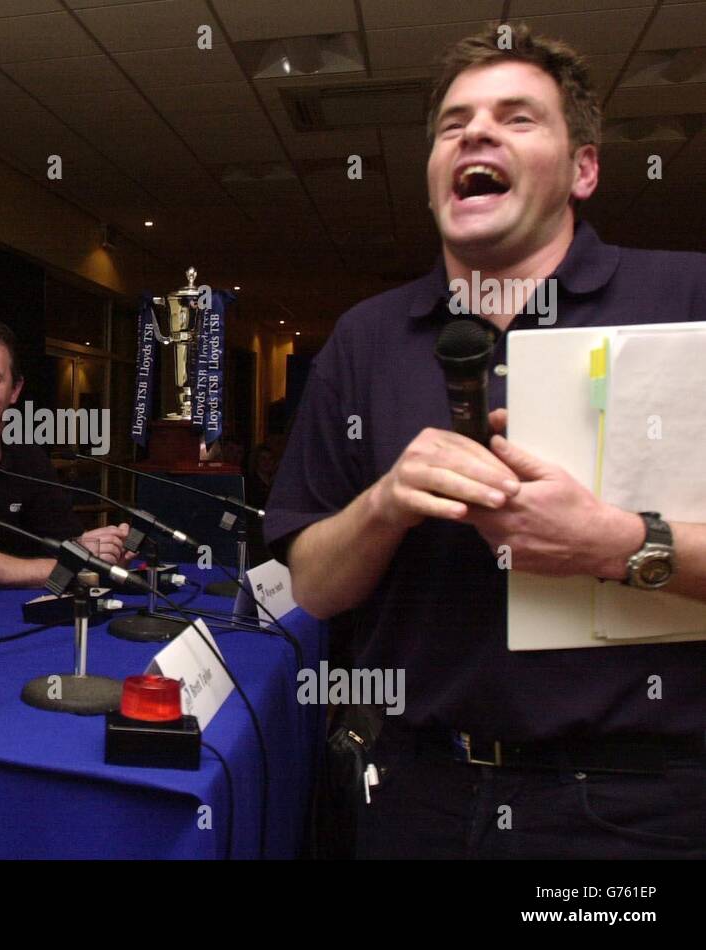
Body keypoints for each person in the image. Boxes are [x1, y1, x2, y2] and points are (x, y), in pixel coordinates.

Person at [265, 25, 706, 859]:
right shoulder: (364, 338)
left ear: (584, 169)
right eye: (453, 123)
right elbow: (314, 590)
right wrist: (384, 505)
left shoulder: (688, 298)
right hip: (414, 796)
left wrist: (616, 542)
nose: (475, 134)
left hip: (637, 809)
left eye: (517, 118)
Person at [0, 319, 132, 587]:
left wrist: (101, 554)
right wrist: (72, 563)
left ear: (15, 390)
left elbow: (66, 544)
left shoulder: (29, 460)